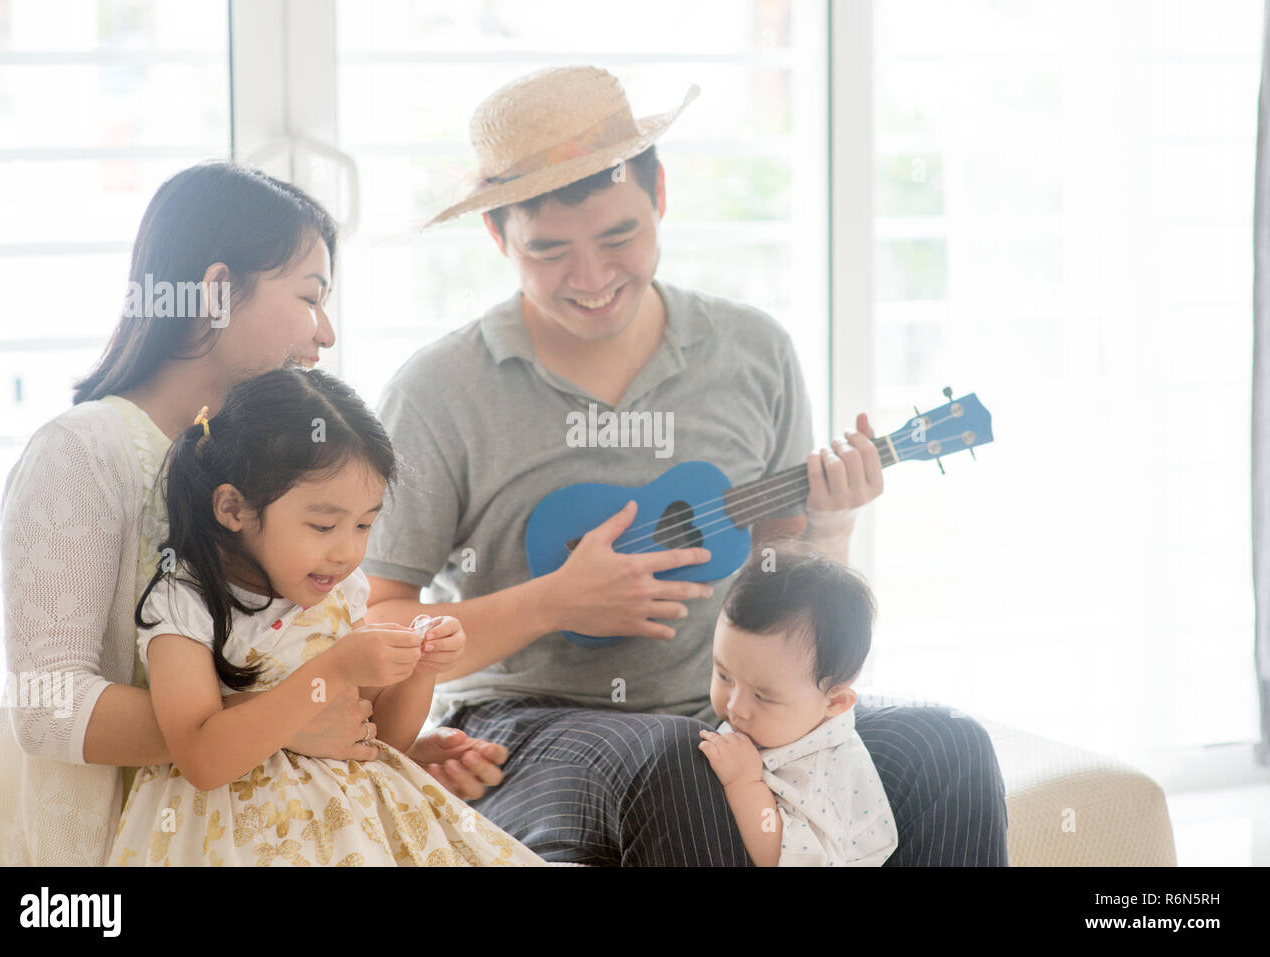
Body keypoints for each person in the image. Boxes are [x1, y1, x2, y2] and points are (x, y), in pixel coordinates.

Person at [362, 65, 1008, 866]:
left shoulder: (754, 351)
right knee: (683, 764)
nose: (592, 277)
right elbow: (374, 621)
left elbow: (785, 585)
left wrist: (832, 525)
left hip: (740, 711)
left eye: (619, 237)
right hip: (527, 721)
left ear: (659, 198)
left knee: (948, 748)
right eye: (551, 250)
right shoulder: (439, 391)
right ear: (498, 237)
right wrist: (553, 601)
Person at [0, 162, 512, 866]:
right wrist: (287, 721)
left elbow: (290, 656)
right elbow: (46, 706)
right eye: (309, 296)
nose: (324, 332)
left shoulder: (257, 470)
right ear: (219, 291)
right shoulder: (82, 453)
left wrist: (348, 738)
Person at [108, 368, 544, 866]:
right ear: (233, 507)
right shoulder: (186, 602)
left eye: (364, 525)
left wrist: (422, 670)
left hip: (358, 835)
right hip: (232, 840)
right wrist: (335, 669)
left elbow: (380, 740)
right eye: (323, 525)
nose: (347, 552)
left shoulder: (342, 594)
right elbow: (201, 758)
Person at [697, 548, 896, 867]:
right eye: (724, 675)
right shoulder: (784, 722)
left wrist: (745, 783)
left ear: (834, 702)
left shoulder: (817, 770)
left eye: (763, 696)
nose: (735, 706)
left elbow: (793, 855)